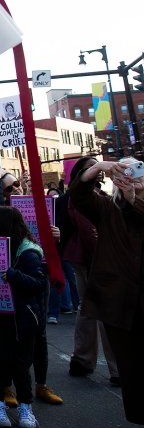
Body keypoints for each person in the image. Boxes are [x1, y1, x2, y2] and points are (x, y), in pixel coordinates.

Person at [68, 157, 144, 424]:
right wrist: (97, 168)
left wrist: (134, 199)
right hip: (121, 304)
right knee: (134, 374)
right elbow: (77, 195)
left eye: (137, 169)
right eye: (123, 169)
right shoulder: (108, 209)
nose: (131, 174)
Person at [0, 206, 47, 428]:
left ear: (4, 225)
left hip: (22, 319)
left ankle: (25, 407)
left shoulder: (28, 253)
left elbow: (39, 284)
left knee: (20, 364)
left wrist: (13, 275)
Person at [58, 157, 120, 384]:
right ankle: (116, 368)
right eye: (92, 167)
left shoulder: (97, 196)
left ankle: (83, 359)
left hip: (84, 259)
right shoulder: (82, 198)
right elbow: (88, 232)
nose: (99, 171)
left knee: (86, 307)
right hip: (90, 260)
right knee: (105, 310)